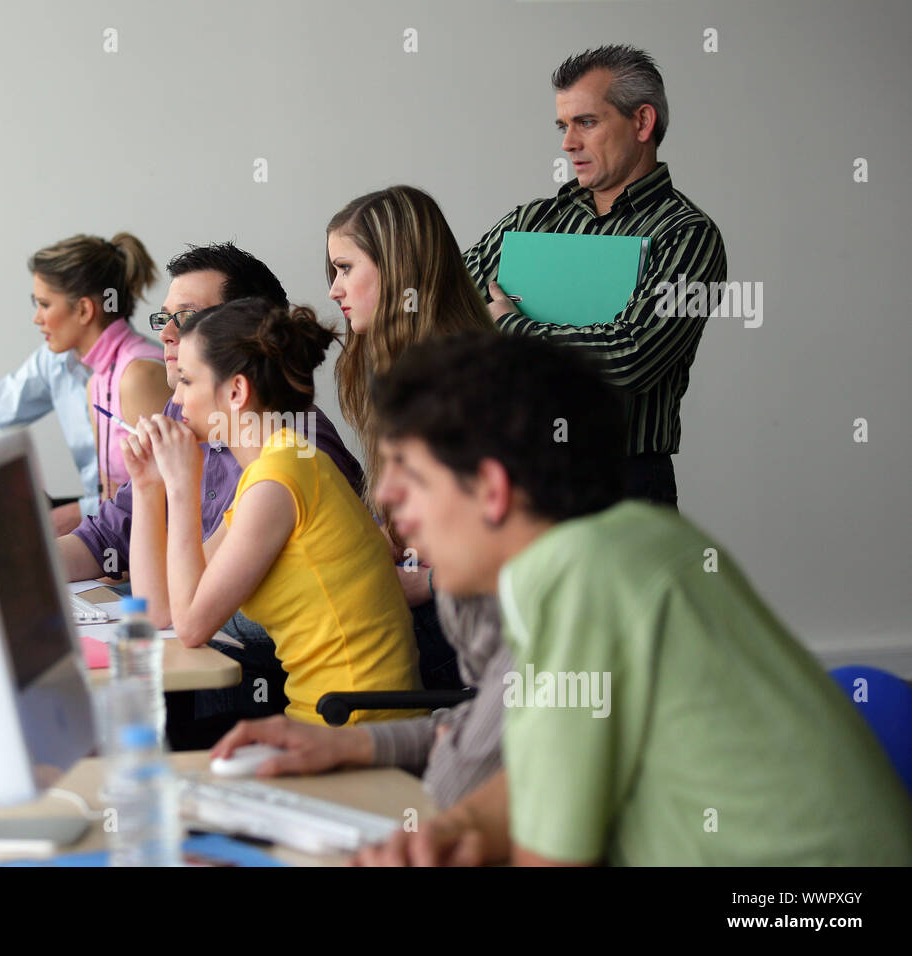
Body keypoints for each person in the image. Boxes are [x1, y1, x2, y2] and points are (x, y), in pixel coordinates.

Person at [347, 333, 911, 865]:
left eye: (409, 471)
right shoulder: (630, 539)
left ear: (492, 490)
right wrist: (455, 828)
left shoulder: (577, 575)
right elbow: (546, 773)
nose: (388, 494)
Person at [56, 243, 366, 740]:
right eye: (167, 317)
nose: (167, 333)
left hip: (306, 710)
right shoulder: (209, 426)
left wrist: (174, 488)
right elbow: (117, 543)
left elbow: (185, 617)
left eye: (189, 319)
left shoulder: (289, 463)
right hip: (288, 703)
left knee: (105, 726)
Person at [122, 298, 425, 725]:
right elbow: (161, 610)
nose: (176, 398)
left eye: (187, 381)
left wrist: (182, 486)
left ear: (236, 392)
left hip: (356, 729)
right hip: (329, 722)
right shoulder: (275, 470)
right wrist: (148, 486)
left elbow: (190, 627)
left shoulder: (277, 483)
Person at [463, 45, 727, 509]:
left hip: (621, 485)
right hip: (517, 473)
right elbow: (451, 308)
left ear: (642, 123)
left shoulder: (687, 235)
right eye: (563, 126)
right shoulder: (530, 220)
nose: (567, 143)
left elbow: (631, 355)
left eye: (587, 122)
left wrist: (509, 326)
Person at [326, 184, 496, 689]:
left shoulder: (467, 377)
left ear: (399, 267)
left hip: (473, 623)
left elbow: (524, 541)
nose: (334, 289)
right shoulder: (387, 368)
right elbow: (395, 520)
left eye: (346, 268)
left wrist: (423, 582)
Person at [0, 233, 169, 534]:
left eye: (45, 304)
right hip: (111, 531)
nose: (37, 318)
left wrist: (66, 526)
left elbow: (164, 498)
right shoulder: (83, 370)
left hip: (133, 541)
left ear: (85, 310)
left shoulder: (140, 376)